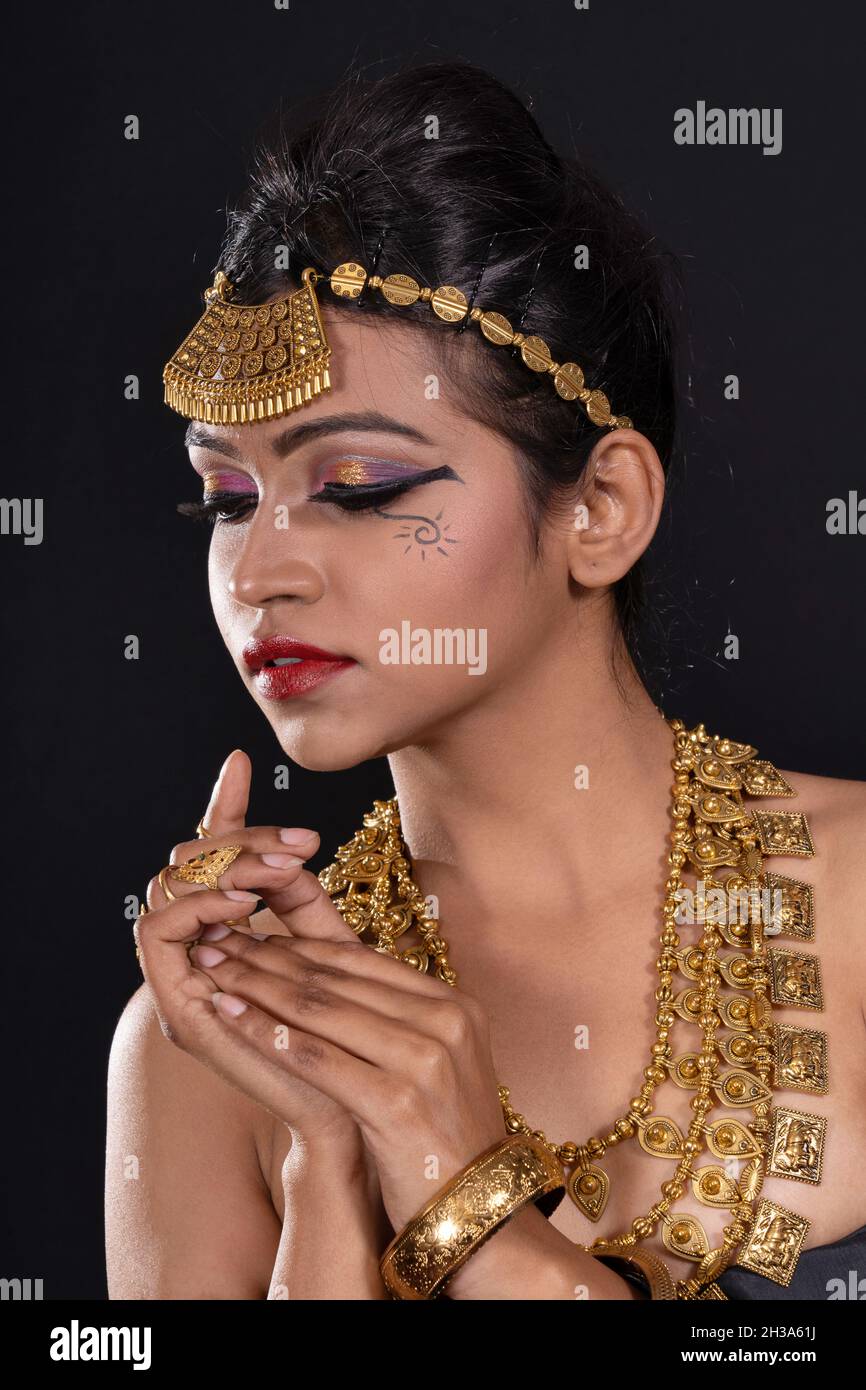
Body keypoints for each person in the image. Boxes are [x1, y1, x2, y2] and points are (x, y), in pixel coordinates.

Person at [105, 60, 866, 1300]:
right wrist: (323, 1174)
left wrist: (461, 1189)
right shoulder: (207, 1051)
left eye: (358, 487)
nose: (261, 569)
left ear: (601, 507)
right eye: (227, 498)